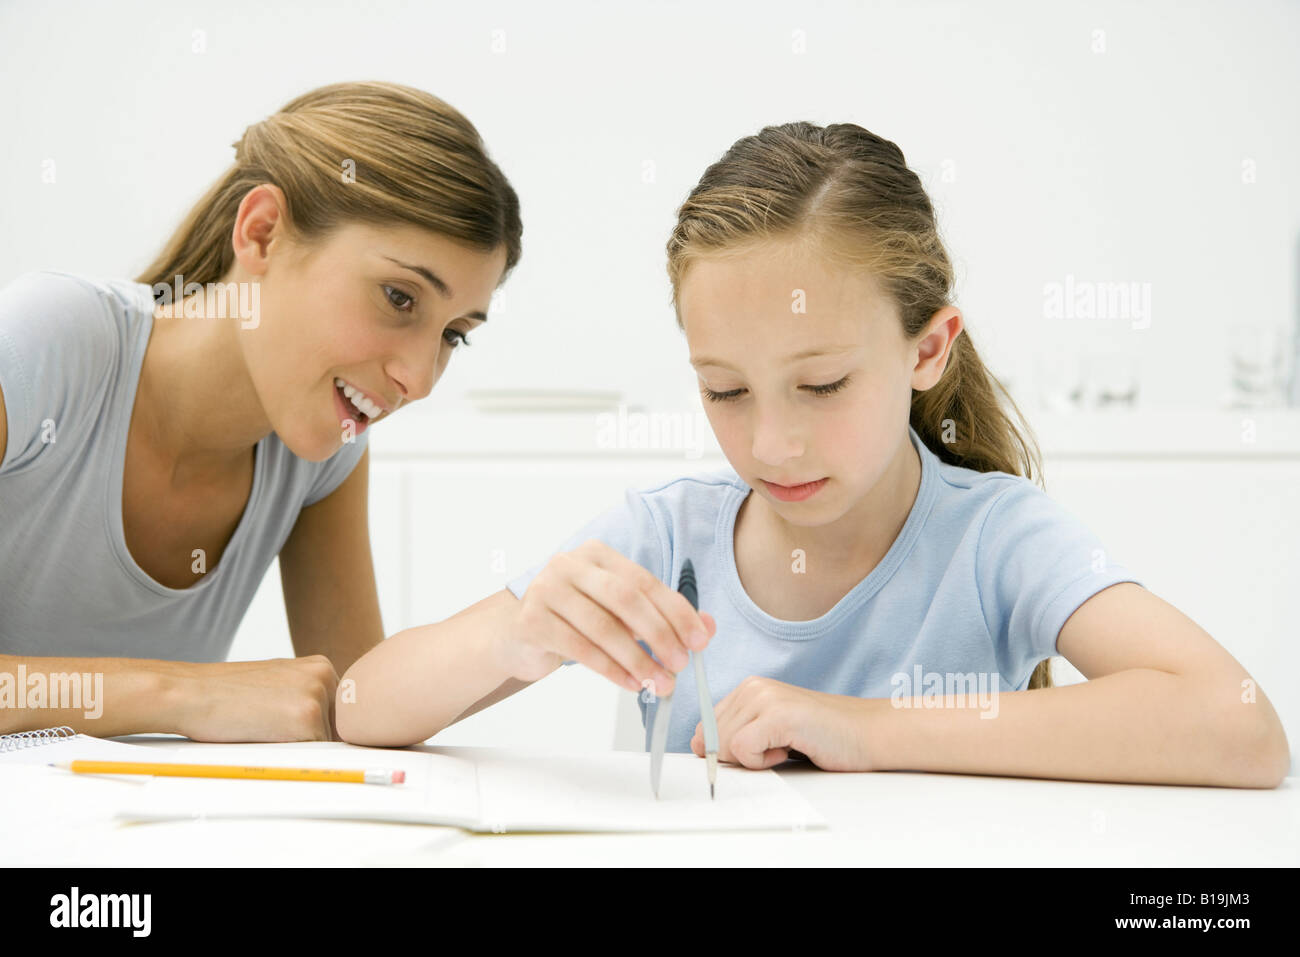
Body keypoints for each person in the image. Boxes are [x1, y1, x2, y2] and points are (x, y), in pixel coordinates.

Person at [337, 121, 1289, 788]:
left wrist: (866, 732)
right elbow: (359, 706)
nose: (771, 443)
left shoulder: (997, 538)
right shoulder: (666, 533)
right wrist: (515, 634)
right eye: (725, 391)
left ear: (928, 348)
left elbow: (1238, 724)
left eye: (823, 386)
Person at [0, 81, 521, 742]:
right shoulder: (45, 342)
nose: (418, 380)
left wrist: (523, 626)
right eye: (399, 297)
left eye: (453, 334)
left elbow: (356, 711)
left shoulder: (319, 459)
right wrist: (179, 693)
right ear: (263, 233)